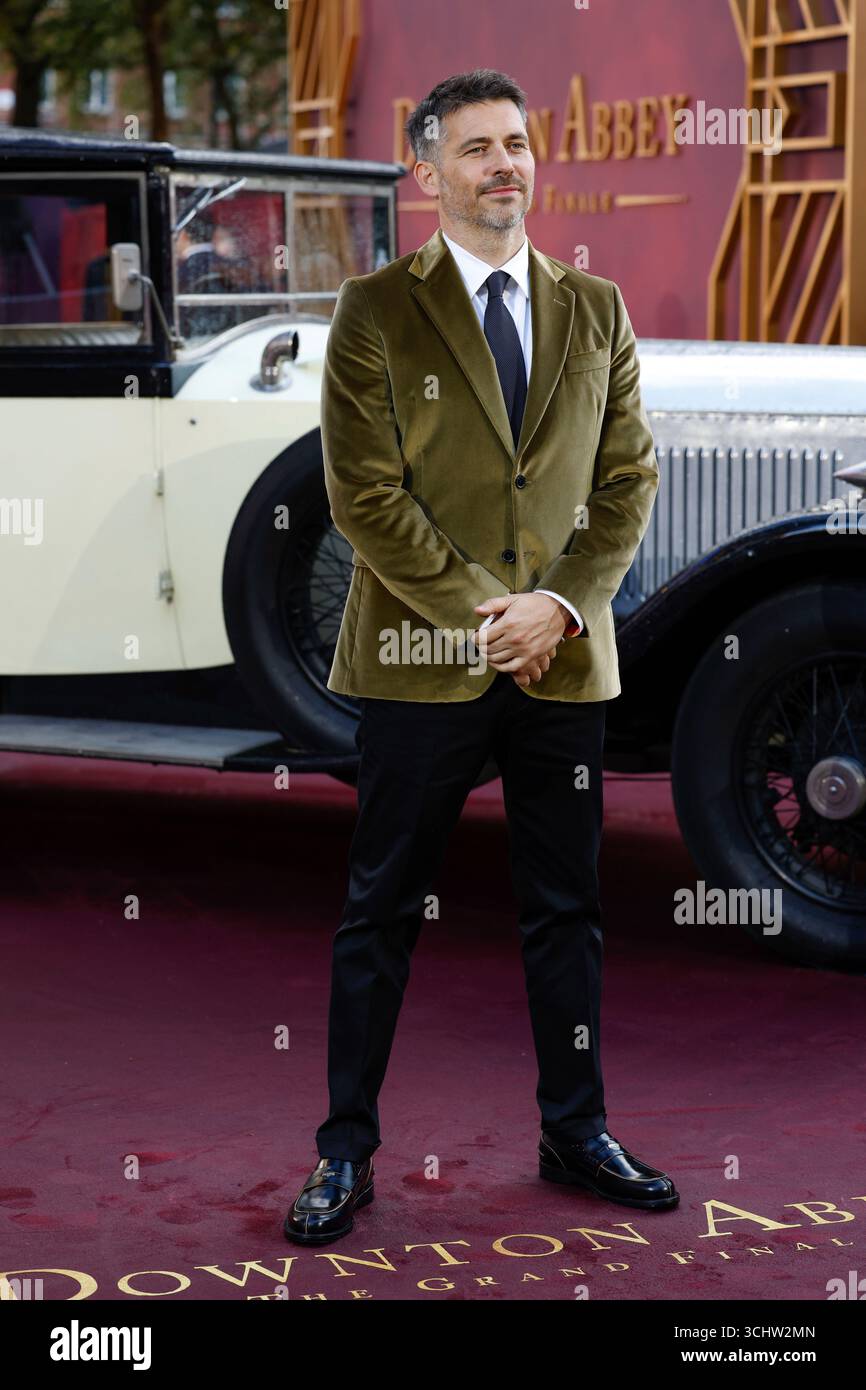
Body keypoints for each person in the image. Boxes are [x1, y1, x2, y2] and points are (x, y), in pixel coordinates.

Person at [285, 68, 676, 1246]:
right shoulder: (372, 309)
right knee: (379, 909)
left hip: (561, 659)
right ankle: (343, 1150)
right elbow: (364, 497)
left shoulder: (594, 308)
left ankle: (576, 1128)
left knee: (567, 910)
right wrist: (487, 612)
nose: (505, 165)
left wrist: (553, 606)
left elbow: (625, 483)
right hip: (417, 661)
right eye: (475, 149)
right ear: (426, 173)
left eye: (516, 143)